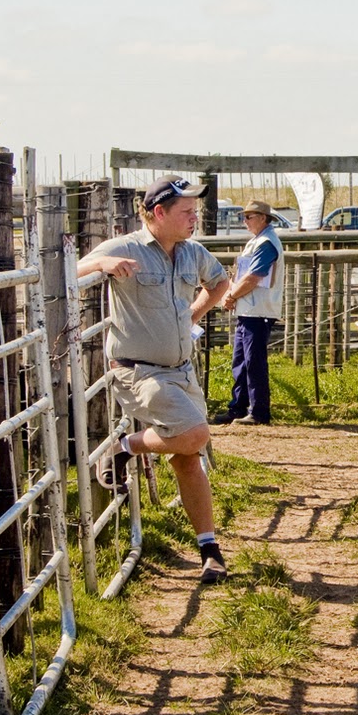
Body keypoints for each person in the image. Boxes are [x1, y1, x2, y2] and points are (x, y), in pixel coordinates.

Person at [77, 175, 231, 584]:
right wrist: (101, 264)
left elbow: (219, 282)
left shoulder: (191, 252)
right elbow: (70, 270)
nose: (194, 219)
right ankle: (126, 445)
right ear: (158, 213)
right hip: (139, 371)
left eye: (195, 212)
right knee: (196, 435)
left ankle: (208, 548)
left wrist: (191, 316)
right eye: (186, 212)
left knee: (187, 455)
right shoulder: (125, 247)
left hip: (181, 369)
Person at [213, 199, 283, 426]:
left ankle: (259, 411)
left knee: (253, 362)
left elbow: (254, 277)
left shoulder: (265, 243)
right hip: (250, 310)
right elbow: (244, 273)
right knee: (242, 361)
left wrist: (232, 295)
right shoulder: (258, 241)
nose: (244, 221)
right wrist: (232, 293)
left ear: (263, 218)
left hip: (257, 310)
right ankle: (239, 407)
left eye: (249, 217)